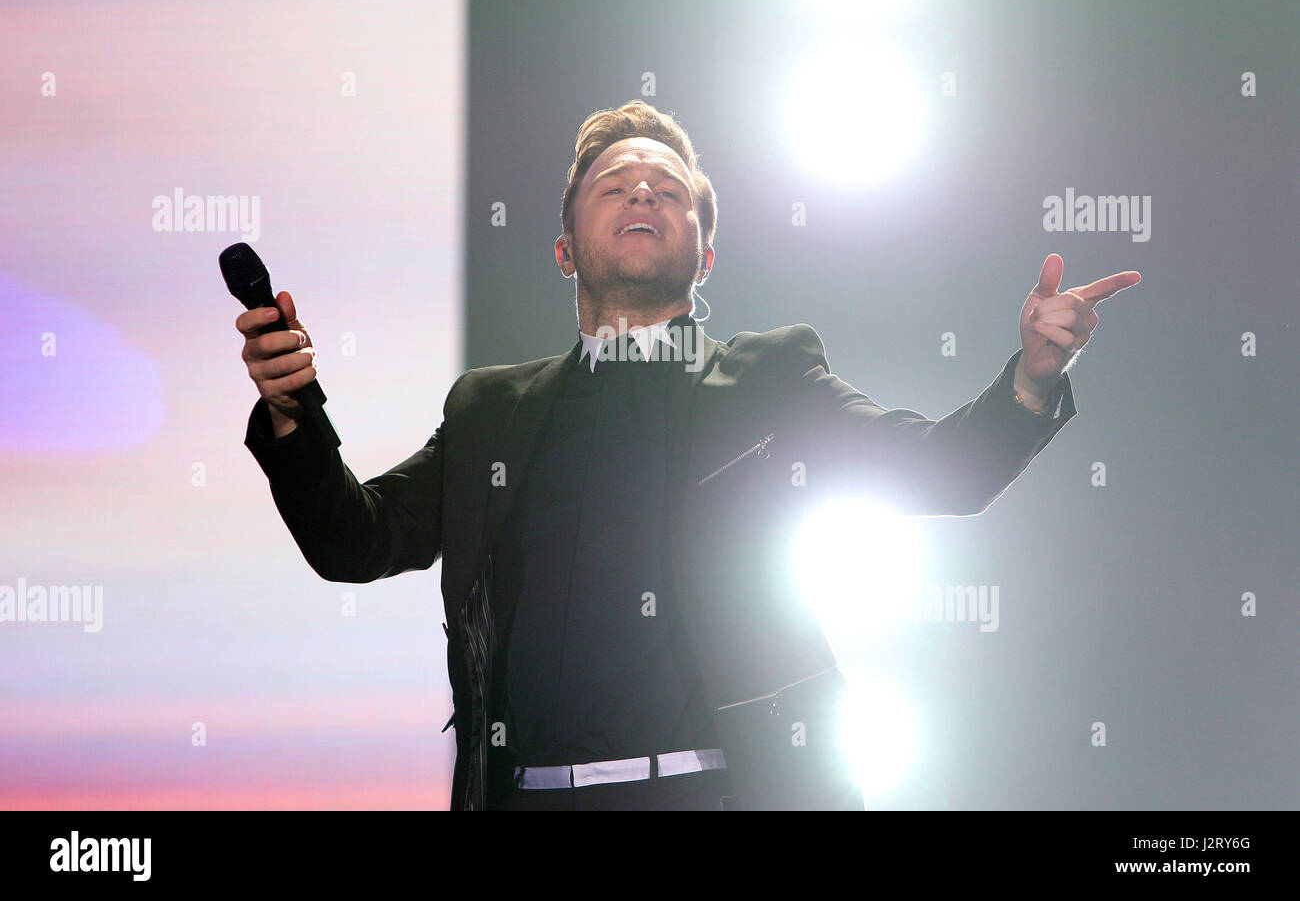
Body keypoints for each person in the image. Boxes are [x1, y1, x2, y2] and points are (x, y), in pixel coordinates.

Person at [237, 100, 1141, 810]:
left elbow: (943, 470)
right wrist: (291, 416)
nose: (642, 194)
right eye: (616, 184)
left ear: (706, 256)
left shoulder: (772, 378)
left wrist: (1031, 373)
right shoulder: (491, 411)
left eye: (669, 191)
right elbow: (354, 542)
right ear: (564, 249)